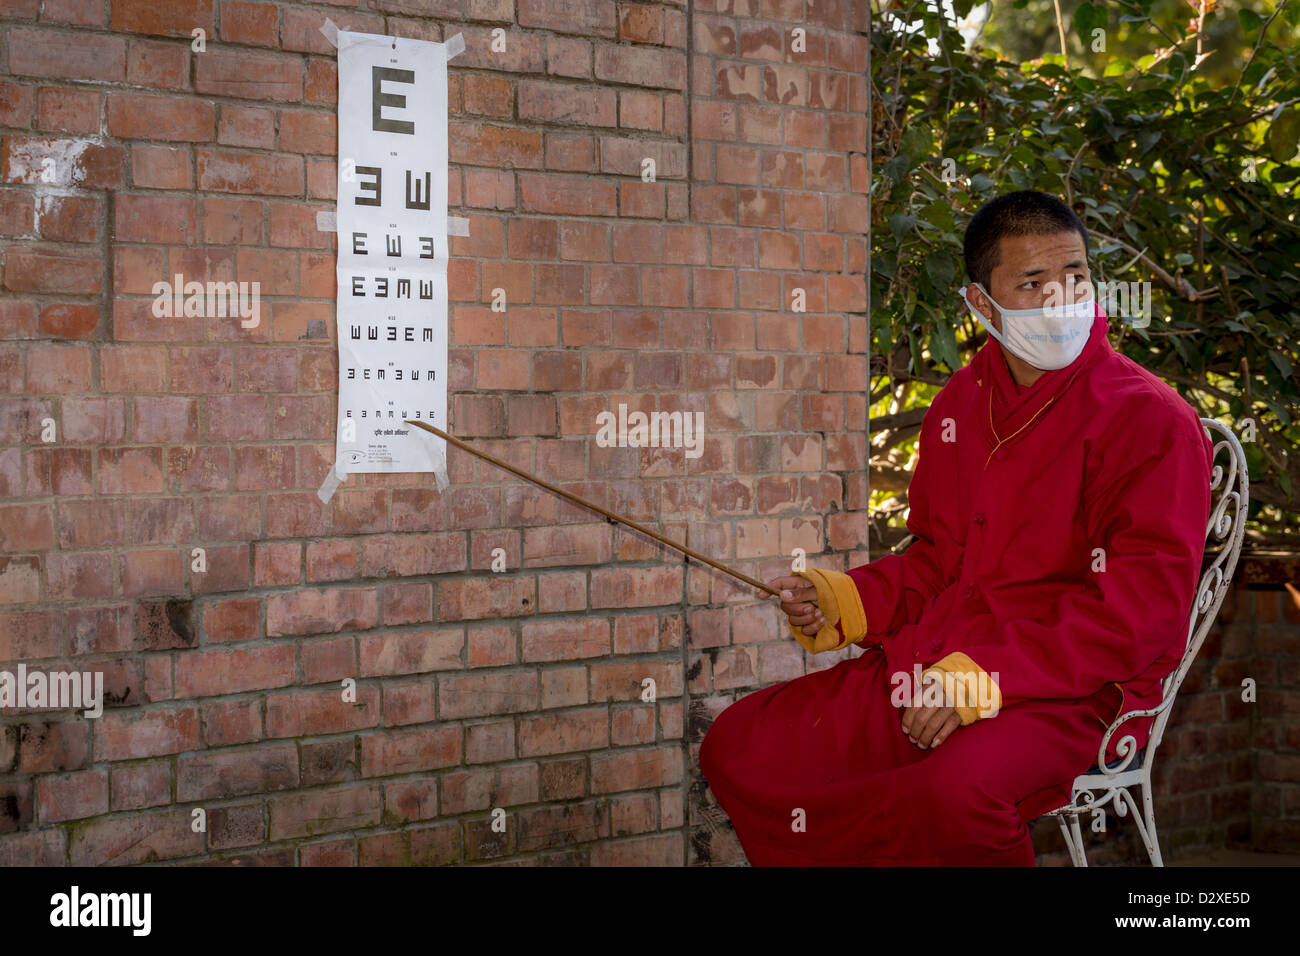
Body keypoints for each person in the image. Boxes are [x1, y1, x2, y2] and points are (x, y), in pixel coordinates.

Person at [699, 190, 1214, 865]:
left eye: (1076, 277)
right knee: (742, 746)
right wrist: (844, 598)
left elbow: (1138, 613)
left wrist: (985, 678)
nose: (1061, 299)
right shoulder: (961, 404)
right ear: (981, 303)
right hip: (937, 663)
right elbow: (939, 563)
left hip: (1074, 692)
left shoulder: (1151, 420)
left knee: (953, 791)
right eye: (1033, 283)